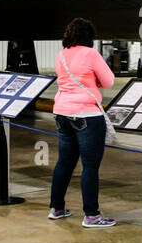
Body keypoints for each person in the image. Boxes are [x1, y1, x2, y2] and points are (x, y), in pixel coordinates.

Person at [49, 17, 117, 227]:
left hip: (62, 113)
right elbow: (109, 81)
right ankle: (91, 215)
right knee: (90, 166)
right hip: (87, 114)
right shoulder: (91, 53)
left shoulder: (61, 55)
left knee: (64, 163)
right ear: (89, 37)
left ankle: (57, 208)